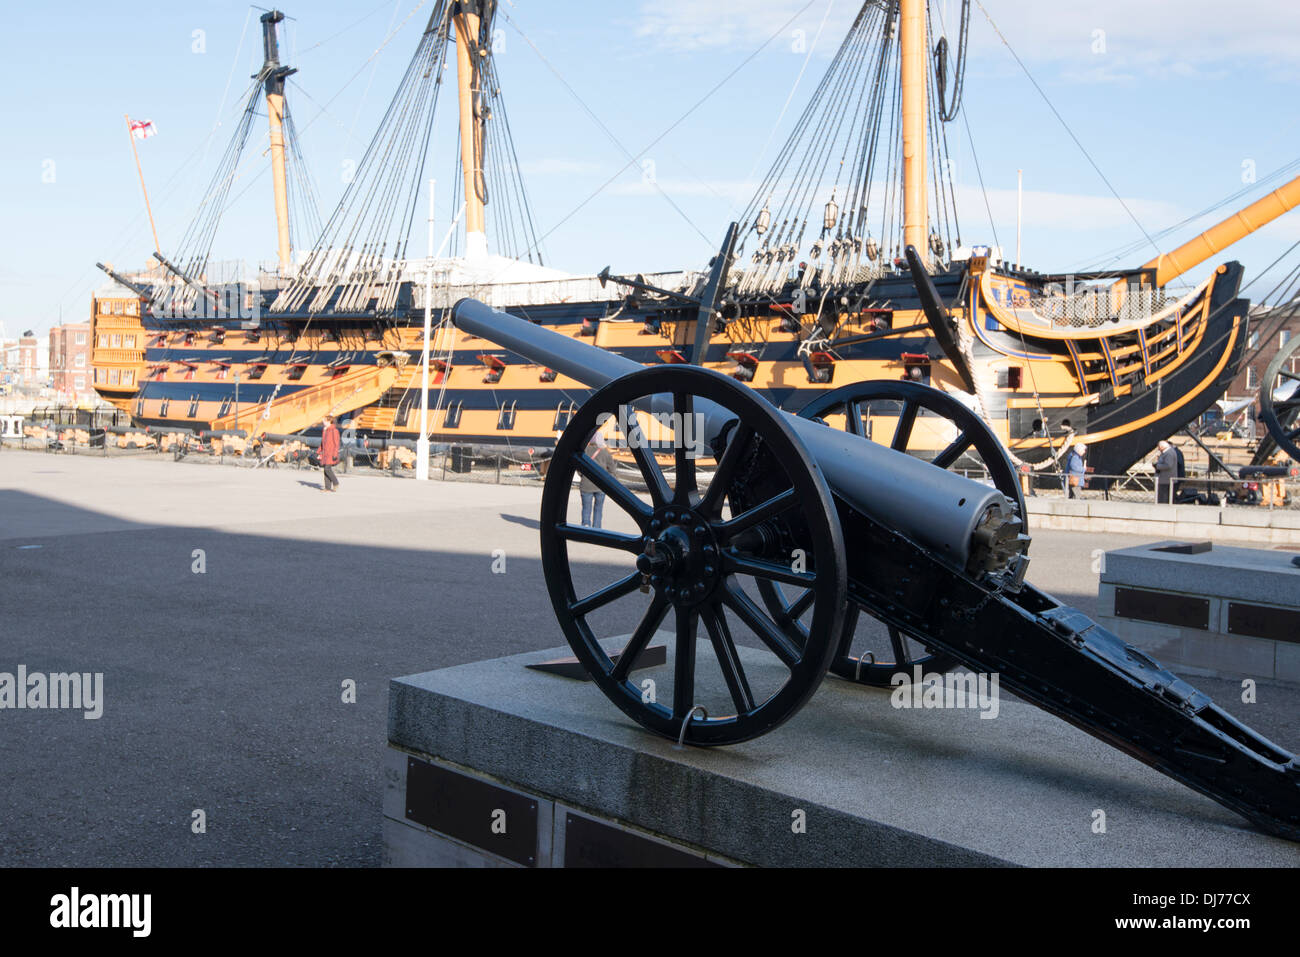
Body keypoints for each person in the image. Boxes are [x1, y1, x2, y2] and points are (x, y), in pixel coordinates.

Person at [580, 433, 615, 528]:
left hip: (586, 485)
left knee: (586, 508)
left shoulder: (584, 451)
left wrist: (583, 475)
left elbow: (579, 468)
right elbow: (612, 470)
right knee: (598, 509)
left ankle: (585, 526)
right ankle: (597, 529)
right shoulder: (605, 452)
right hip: (601, 486)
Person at [320, 415, 341, 493]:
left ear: (329, 421)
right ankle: (327, 488)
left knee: (327, 469)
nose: (323, 422)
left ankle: (336, 482)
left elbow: (336, 443)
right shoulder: (325, 430)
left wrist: (335, 454)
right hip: (325, 453)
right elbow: (322, 442)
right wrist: (319, 451)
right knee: (325, 470)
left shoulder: (334, 431)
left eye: (325, 420)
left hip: (331, 453)